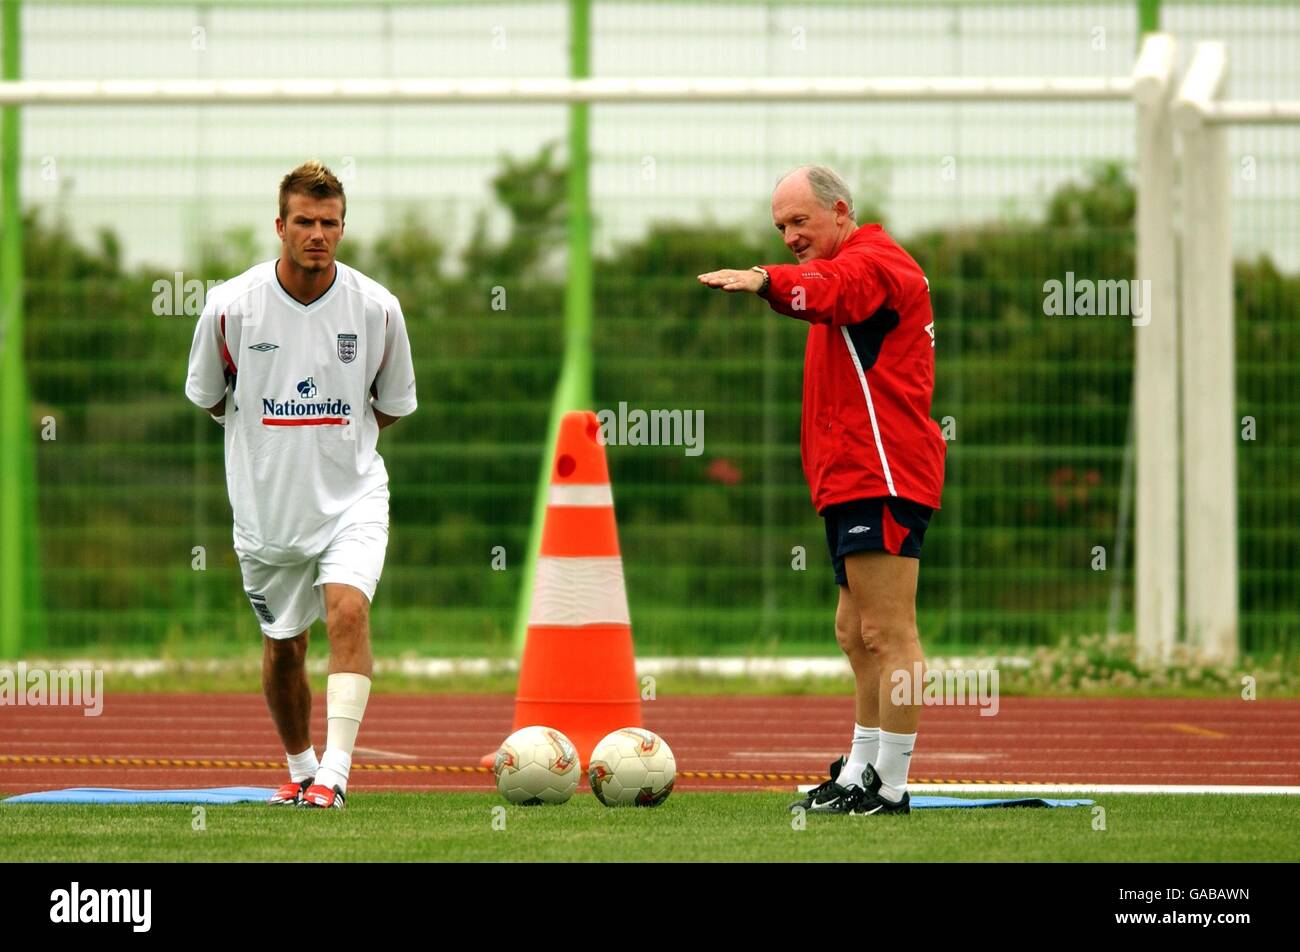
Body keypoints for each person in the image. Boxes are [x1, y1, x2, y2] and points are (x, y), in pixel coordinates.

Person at [698, 165, 945, 815]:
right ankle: (862, 768)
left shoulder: (874, 263)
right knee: (854, 630)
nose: (788, 236)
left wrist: (765, 282)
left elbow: (833, 289)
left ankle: (889, 783)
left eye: (799, 221)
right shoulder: (850, 266)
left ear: (841, 211)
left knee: (889, 631)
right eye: (780, 227)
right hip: (851, 474)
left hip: (882, 471)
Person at [185, 160, 418, 809]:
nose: (318, 234)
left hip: (354, 497)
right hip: (266, 514)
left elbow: (392, 403)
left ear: (343, 228)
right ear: (280, 225)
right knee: (284, 648)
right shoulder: (230, 307)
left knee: (348, 610)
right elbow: (209, 398)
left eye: (330, 223)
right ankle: (301, 766)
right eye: (305, 222)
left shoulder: (377, 308)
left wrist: (339, 449)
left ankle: (336, 778)